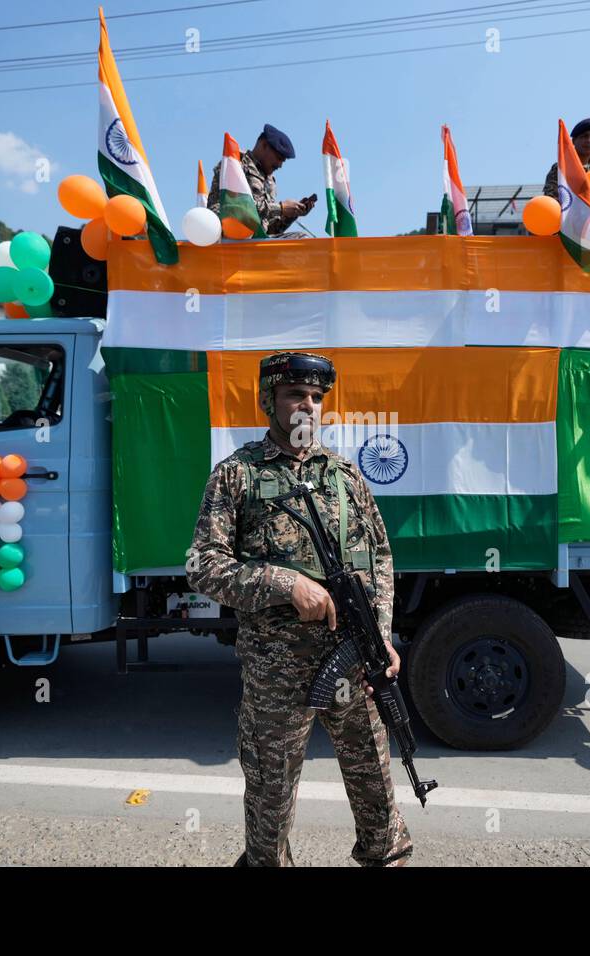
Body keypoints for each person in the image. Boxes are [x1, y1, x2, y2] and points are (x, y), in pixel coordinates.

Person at [186, 351, 412, 866]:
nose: (308, 406)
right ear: (269, 400)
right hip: (276, 671)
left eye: (316, 397)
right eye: (295, 395)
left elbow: (378, 558)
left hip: (353, 660)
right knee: (271, 795)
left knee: (376, 782)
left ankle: (386, 856)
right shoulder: (237, 476)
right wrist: (283, 582)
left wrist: (382, 636)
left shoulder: (345, 477)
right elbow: (202, 566)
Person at [207, 124, 315, 237]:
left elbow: (269, 230)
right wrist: (281, 208)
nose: (280, 165)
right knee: (300, 238)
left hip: (254, 242)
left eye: (283, 161)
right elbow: (237, 208)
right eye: (278, 158)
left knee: (302, 241)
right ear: (263, 145)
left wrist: (292, 214)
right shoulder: (235, 164)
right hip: (227, 236)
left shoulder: (269, 181)